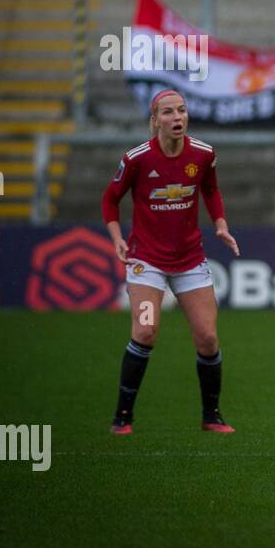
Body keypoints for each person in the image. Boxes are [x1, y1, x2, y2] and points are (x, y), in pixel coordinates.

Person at [101, 89, 239, 434]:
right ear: (154, 120)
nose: (176, 117)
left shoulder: (203, 154)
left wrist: (220, 223)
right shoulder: (137, 159)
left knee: (207, 338)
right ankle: (123, 417)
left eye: (181, 110)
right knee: (145, 331)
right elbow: (110, 199)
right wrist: (117, 238)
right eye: (167, 112)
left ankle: (212, 416)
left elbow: (210, 189)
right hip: (146, 261)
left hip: (190, 259)